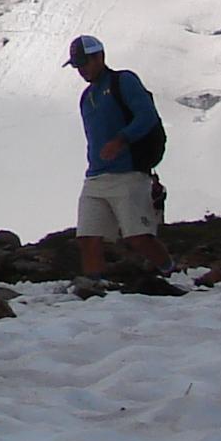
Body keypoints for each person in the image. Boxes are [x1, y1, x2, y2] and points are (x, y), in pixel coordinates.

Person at [65, 34, 174, 278]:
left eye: (84, 63)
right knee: (88, 237)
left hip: (129, 174)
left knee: (139, 238)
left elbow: (147, 116)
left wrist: (121, 139)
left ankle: (169, 270)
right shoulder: (86, 97)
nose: (81, 70)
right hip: (95, 177)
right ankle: (95, 288)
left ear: (100, 57)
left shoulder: (123, 81)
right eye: (77, 65)